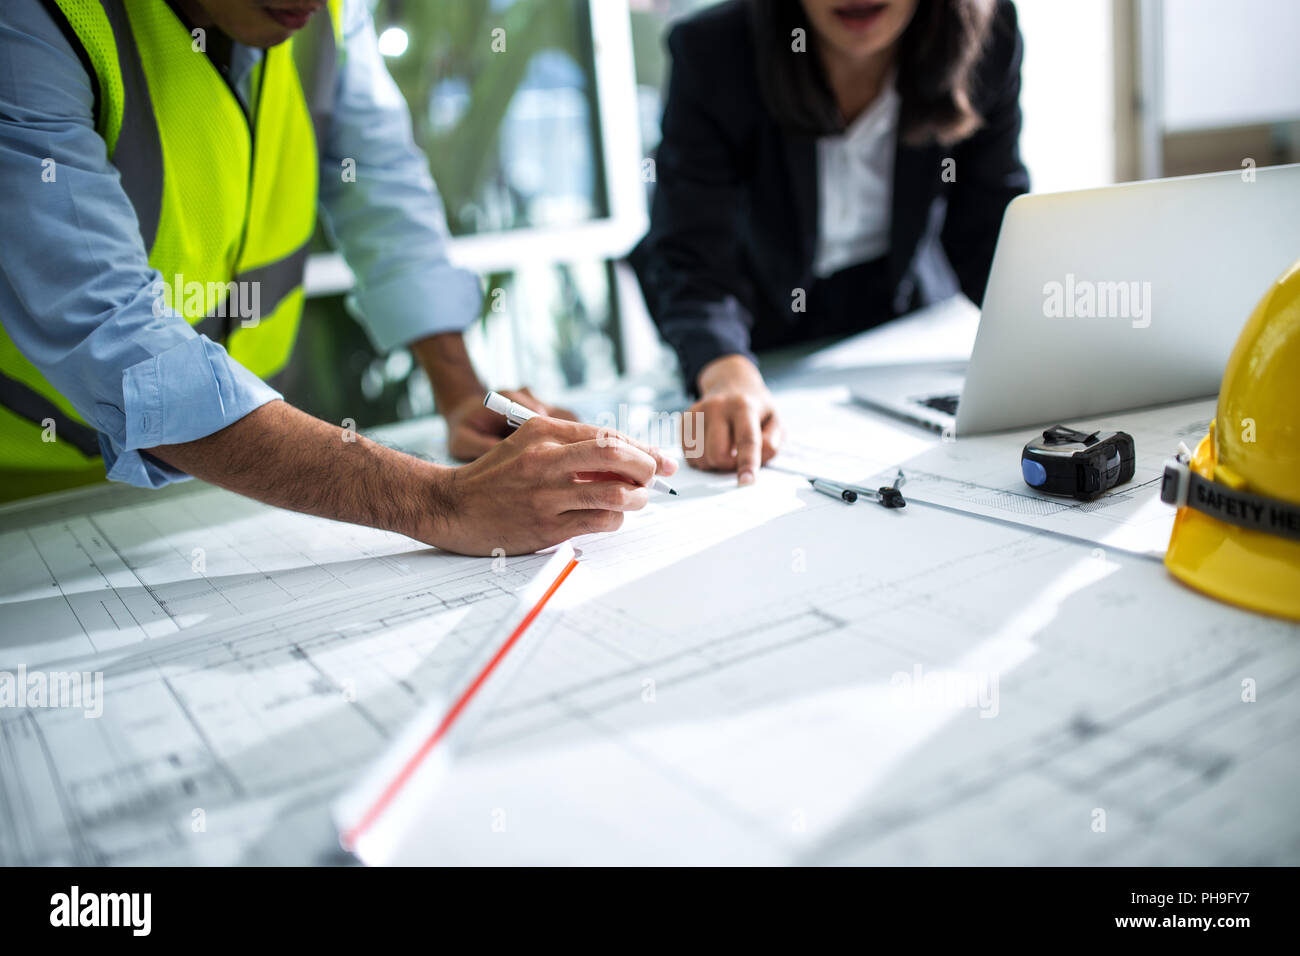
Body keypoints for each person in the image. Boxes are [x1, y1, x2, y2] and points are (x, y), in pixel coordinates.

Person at [0, 0, 673, 555]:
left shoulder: (326, 13)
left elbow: (383, 192)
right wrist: (438, 503)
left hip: (237, 475)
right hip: (29, 492)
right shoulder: (34, 21)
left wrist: (462, 392)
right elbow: (106, 323)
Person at [631, 0, 1029, 483]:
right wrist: (723, 367)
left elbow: (988, 228)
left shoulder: (988, 31)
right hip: (763, 339)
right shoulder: (713, 50)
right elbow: (691, 251)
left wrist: (1046, 329)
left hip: (899, 328)